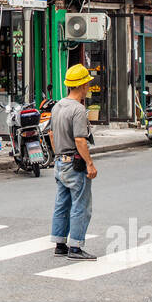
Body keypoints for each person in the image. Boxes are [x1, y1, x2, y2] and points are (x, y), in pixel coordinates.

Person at [49, 64, 97, 260]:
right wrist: (90, 163)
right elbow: (80, 139)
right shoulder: (78, 110)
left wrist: (58, 156)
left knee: (62, 203)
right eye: (87, 84)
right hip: (74, 163)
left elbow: (51, 135)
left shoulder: (57, 106)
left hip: (60, 161)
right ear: (83, 85)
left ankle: (60, 243)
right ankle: (76, 247)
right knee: (80, 204)